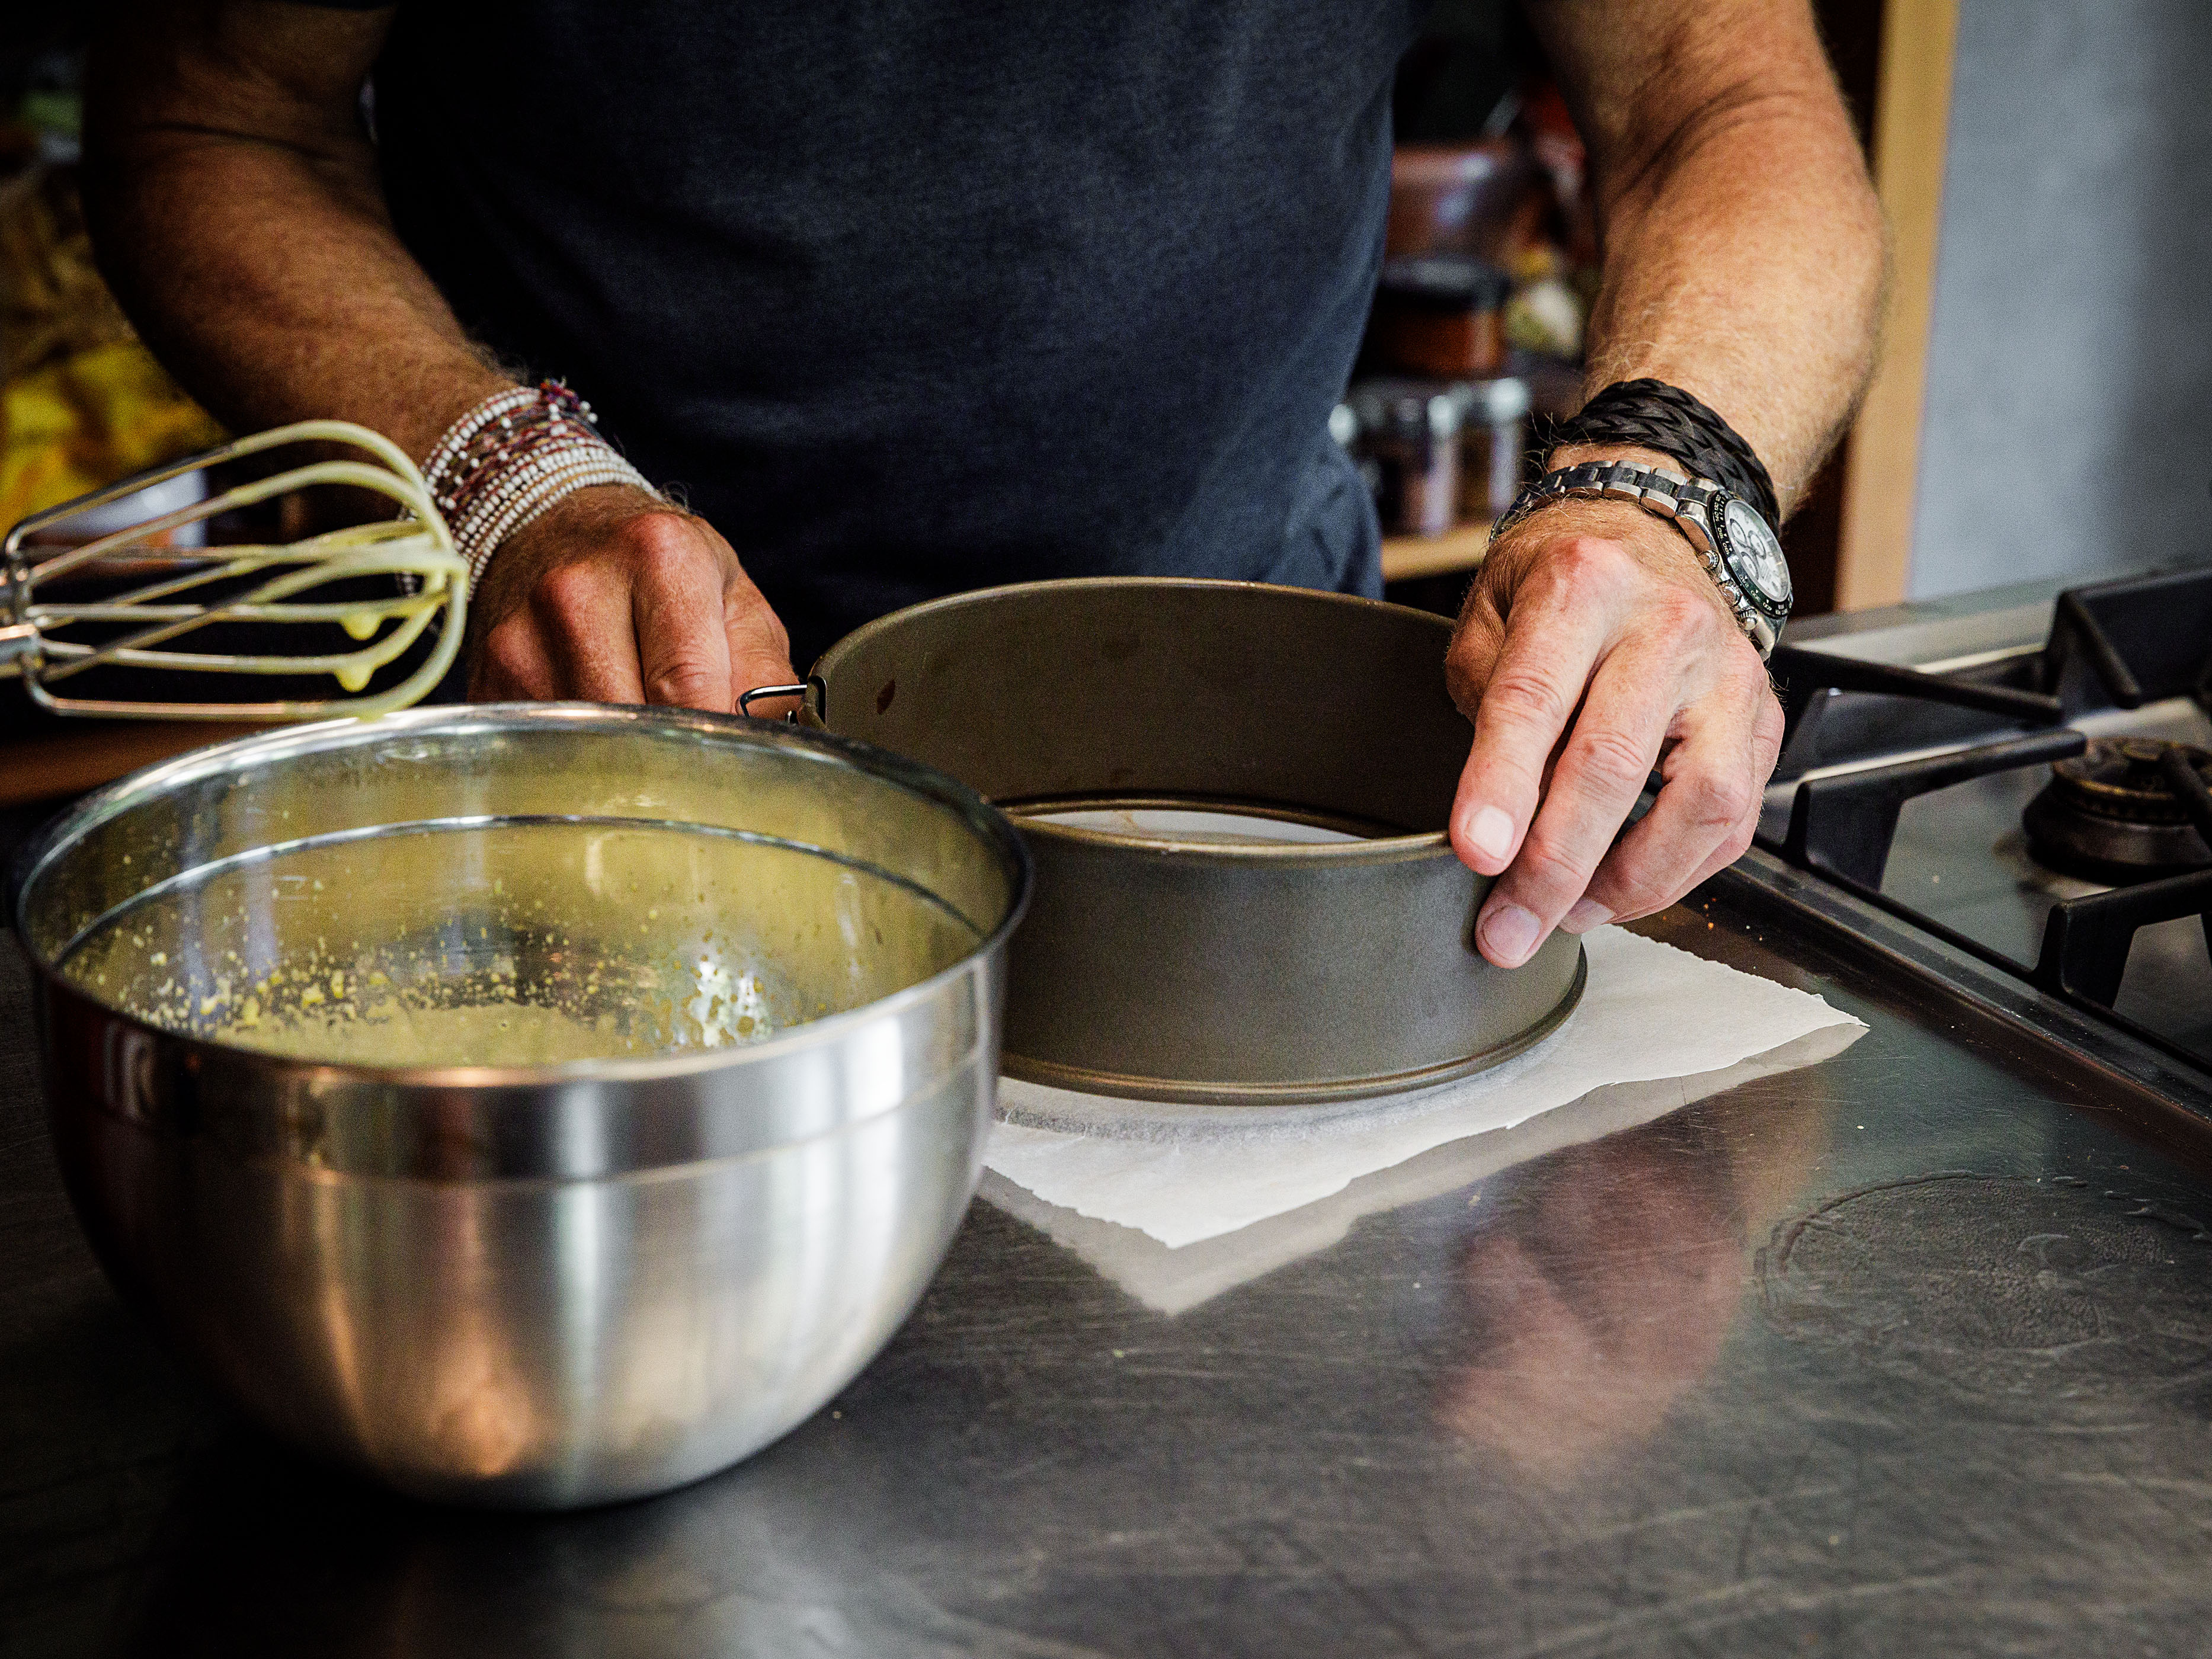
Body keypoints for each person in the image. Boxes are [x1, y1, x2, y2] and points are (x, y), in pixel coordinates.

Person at [82, 0, 1882, 969]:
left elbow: (1724, 102)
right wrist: (502, 479)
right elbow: (209, 117)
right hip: (603, 765)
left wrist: (1670, 490)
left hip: (1286, 820)